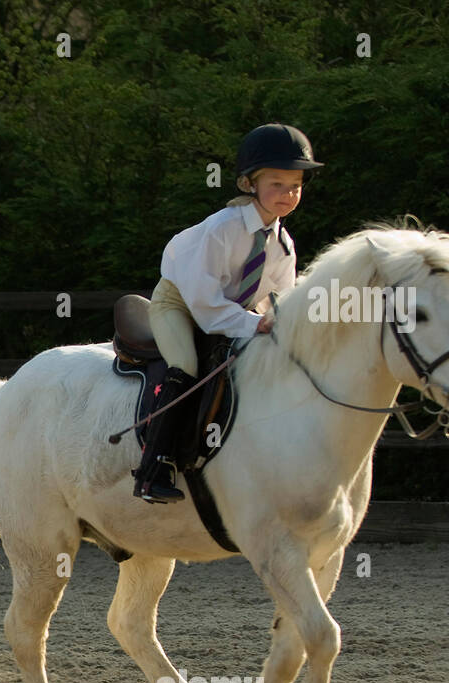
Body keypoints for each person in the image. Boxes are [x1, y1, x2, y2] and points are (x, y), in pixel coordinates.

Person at [133, 122, 323, 503]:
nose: (287, 193)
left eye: (295, 186)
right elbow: (205, 306)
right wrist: (259, 323)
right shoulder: (222, 229)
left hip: (233, 313)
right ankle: (154, 468)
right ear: (248, 183)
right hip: (181, 306)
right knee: (185, 365)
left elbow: (279, 300)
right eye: (276, 184)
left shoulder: (284, 245)